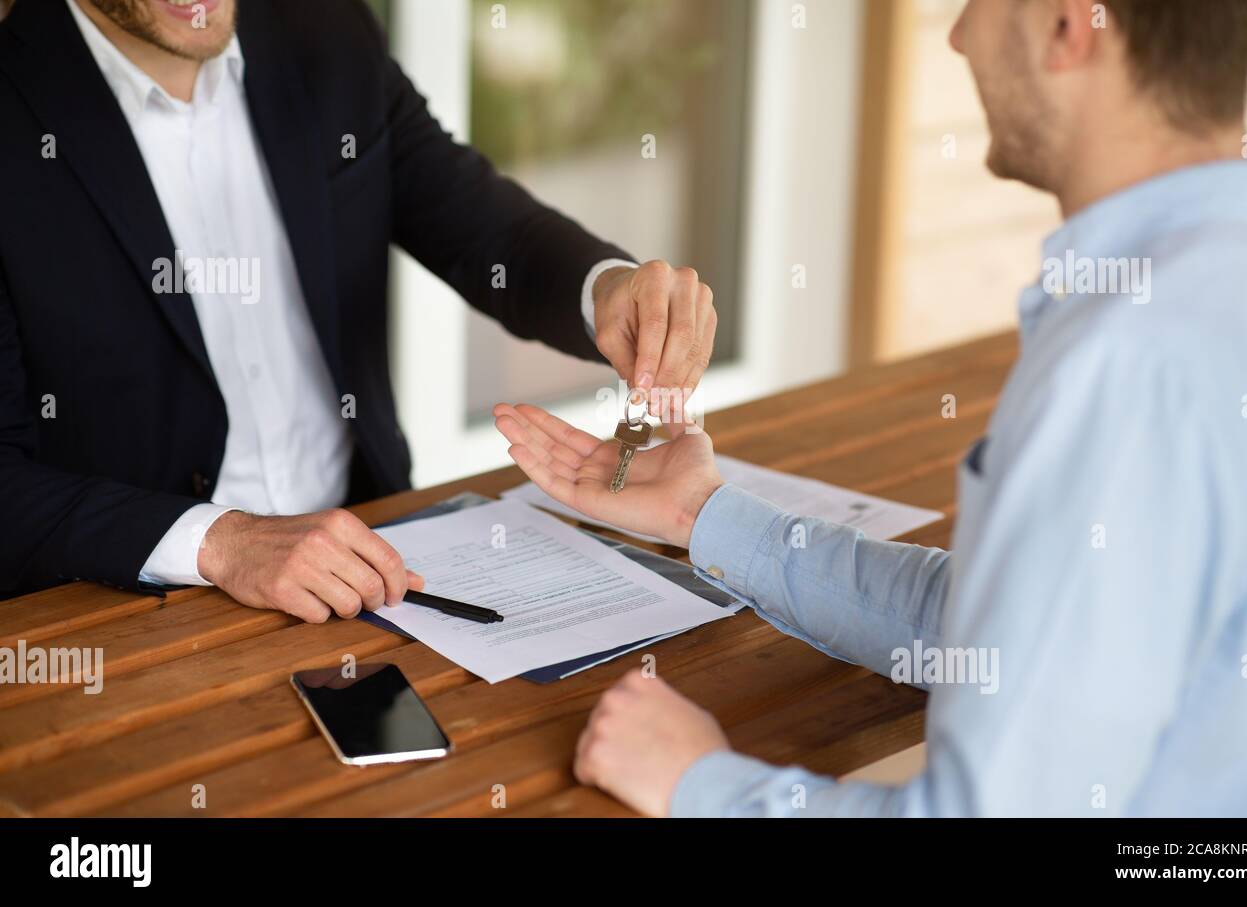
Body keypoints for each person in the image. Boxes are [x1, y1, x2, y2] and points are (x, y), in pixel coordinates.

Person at [494, 0, 1247, 817]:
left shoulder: (1126, 363)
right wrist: (702, 512)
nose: (955, 36)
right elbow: (998, 634)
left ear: (1067, 25)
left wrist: (702, 782)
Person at [0, 0, 717, 621]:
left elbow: (485, 228)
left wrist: (609, 290)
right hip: (129, 613)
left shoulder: (322, 27)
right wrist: (216, 542)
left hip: (381, 569)